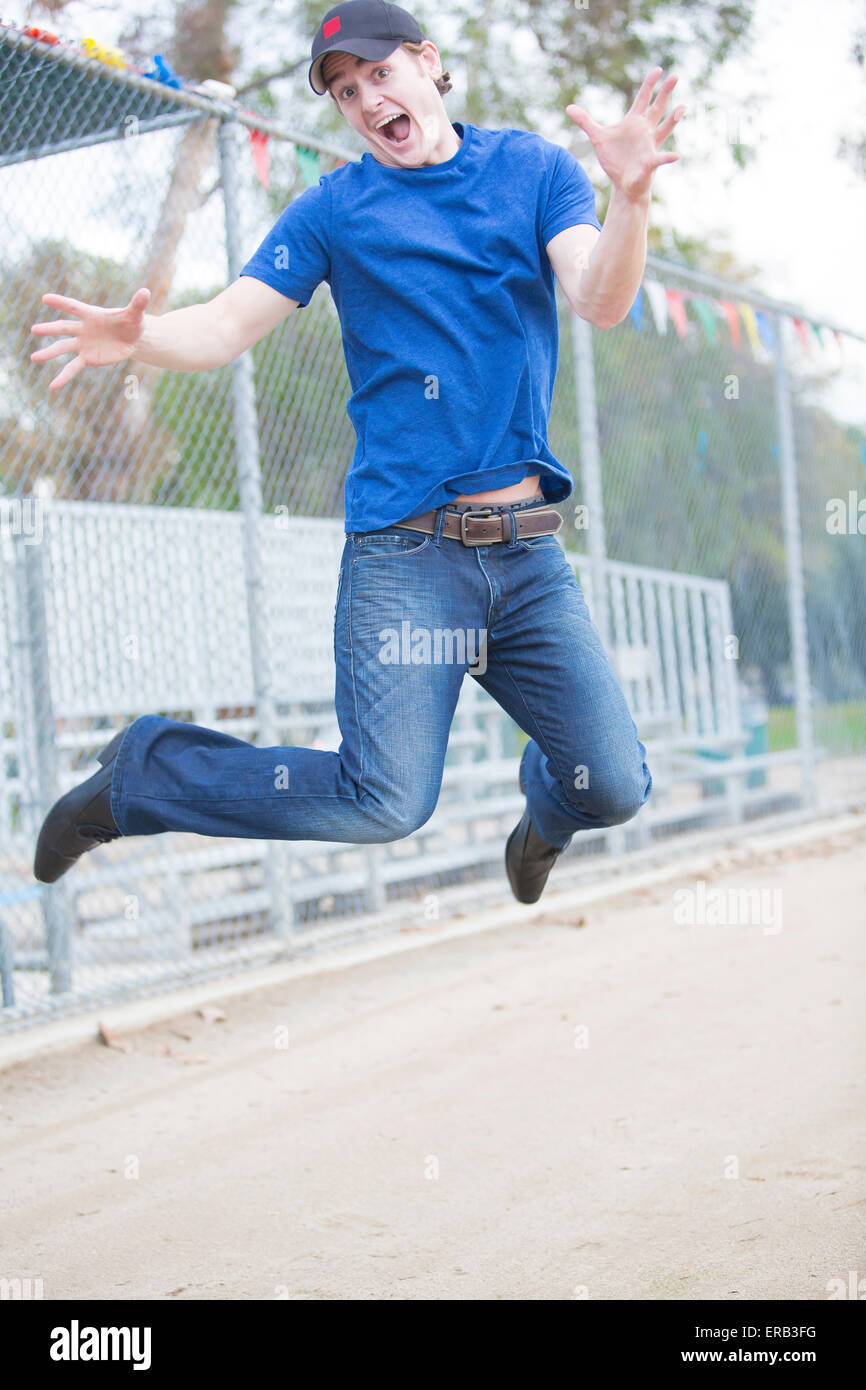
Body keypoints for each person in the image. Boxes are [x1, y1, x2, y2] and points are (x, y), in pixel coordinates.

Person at [30, 0, 685, 901]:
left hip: (527, 554)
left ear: (427, 62)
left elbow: (600, 299)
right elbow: (224, 325)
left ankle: (546, 814)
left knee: (611, 785)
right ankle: (141, 779)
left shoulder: (532, 171)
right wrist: (139, 338)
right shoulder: (335, 211)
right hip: (408, 557)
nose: (367, 99)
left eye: (380, 73)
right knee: (384, 801)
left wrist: (632, 197)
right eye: (344, 91)